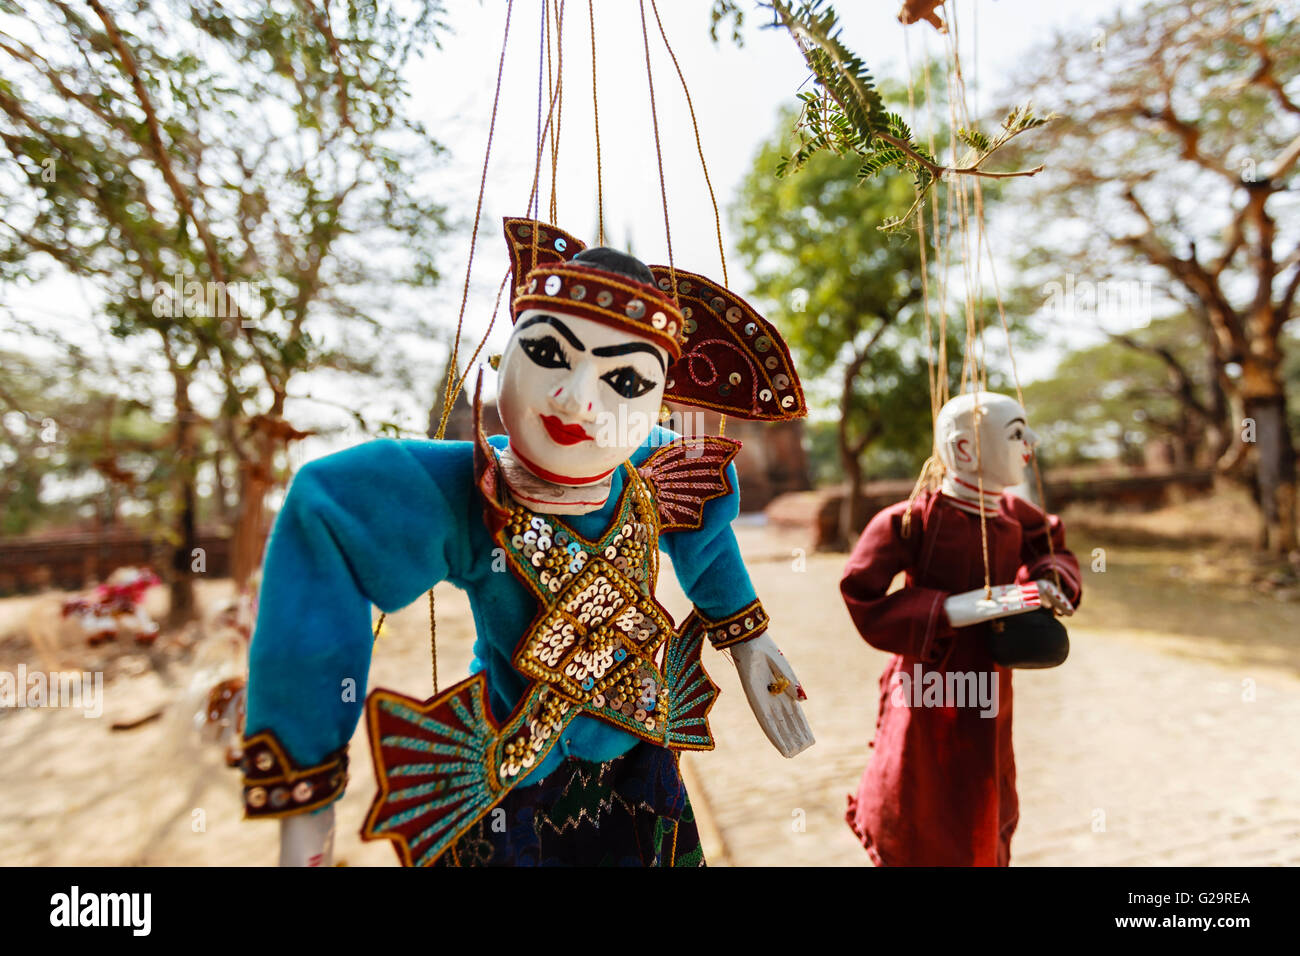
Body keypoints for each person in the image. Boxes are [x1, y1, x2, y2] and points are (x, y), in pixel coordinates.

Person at [240, 217, 815, 866]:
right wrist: (306, 786)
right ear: (508, 354)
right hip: (508, 779)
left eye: (624, 382)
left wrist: (747, 634)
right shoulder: (465, 490)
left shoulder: (656, 472)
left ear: (657, 400)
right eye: (547, 355)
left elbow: (704, 533)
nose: (575, 402)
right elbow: (325, 526)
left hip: (645, 767)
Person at [840, 391, 1081, 866]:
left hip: (990, 677)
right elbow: (861, 594)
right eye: (1016, 434)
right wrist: (957, 608)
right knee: (920, 783)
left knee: (984, 780)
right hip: (929, 676)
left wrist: (1047, 584)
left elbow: (1052, 546)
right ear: (965, 450)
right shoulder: (910, 520)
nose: (1030, 442)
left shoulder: (1014, 515)